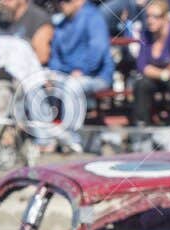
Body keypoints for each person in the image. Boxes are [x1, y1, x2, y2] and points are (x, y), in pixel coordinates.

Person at [45, 0, 114, 147]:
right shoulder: (61, 24)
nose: (61, 4)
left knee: (71, 85)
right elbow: (55, 56)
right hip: (66, 76)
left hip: (97, 77)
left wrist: (82, 70)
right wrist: (52, 74)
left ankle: (72, 139)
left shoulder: (94, 17)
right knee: (39, 83)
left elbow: (98, 50)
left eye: (66, 1)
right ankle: (45, 139)